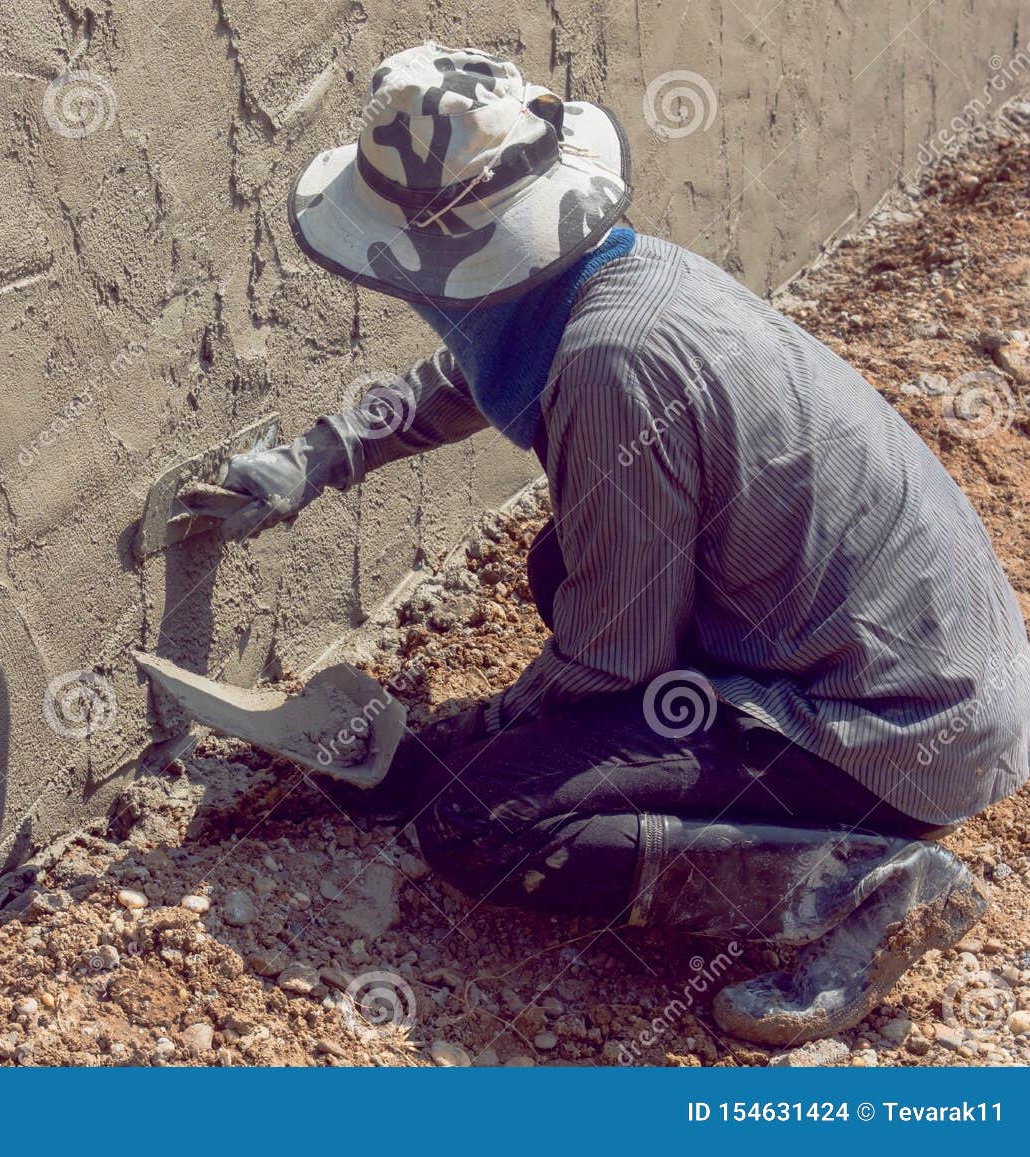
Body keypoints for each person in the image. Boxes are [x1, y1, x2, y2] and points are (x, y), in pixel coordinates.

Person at [179, 44, 1030, 1046]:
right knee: (561, 566)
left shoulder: (609, 363)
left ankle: (862, 883)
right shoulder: (613, 281)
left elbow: (613, 656)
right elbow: (472, 377)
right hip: (917, 659)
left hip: (892, 731)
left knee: (483, 823)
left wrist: (481, 735)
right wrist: (320, 456)